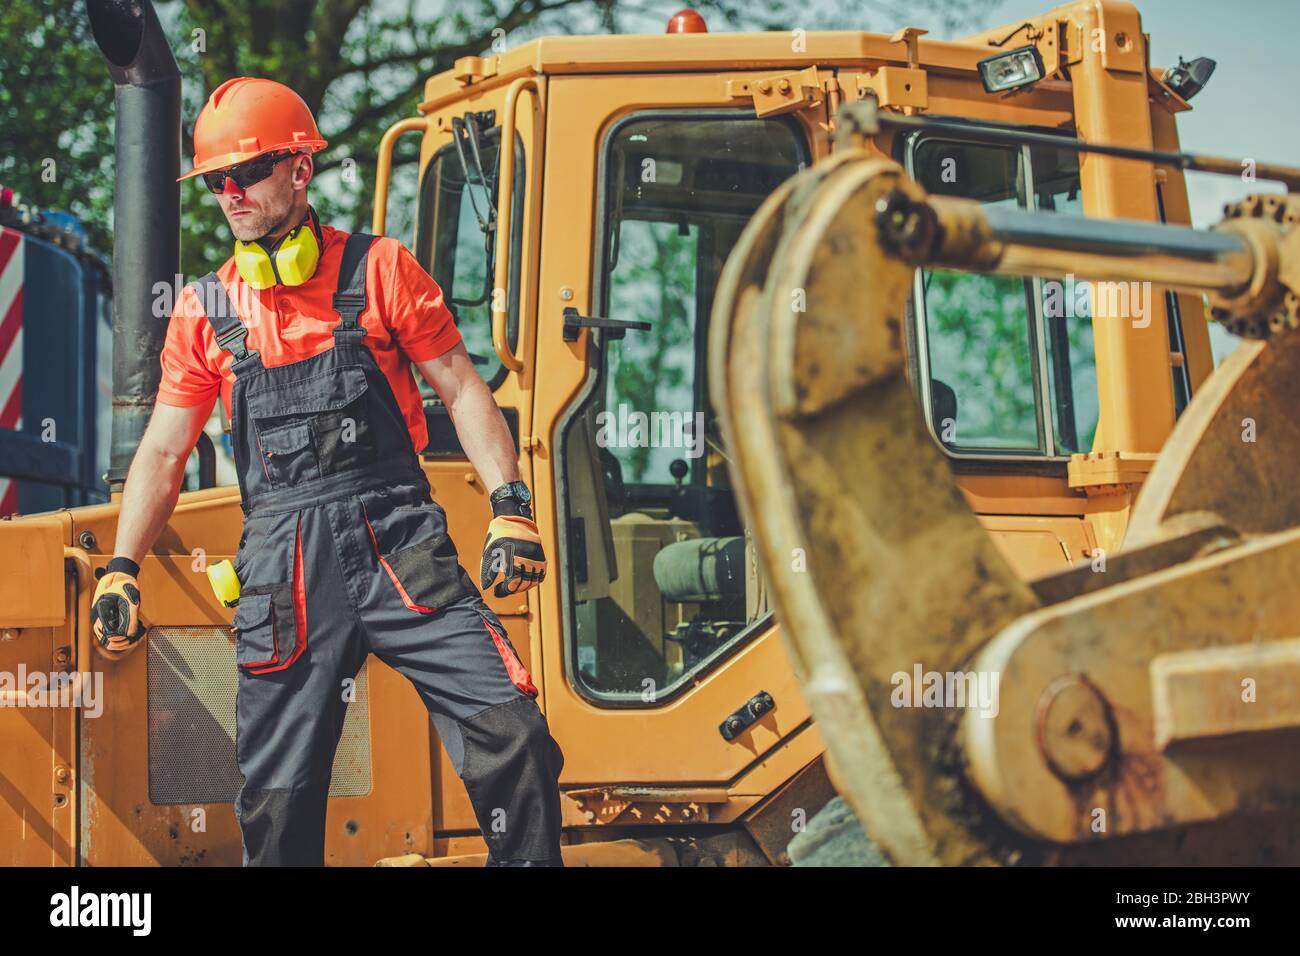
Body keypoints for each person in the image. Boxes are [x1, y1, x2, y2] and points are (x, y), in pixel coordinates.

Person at [88, 76, 565, 866]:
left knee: (513, 736)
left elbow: (463, 389)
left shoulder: (380, 269)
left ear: (300, 170)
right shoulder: (206, 310)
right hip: (284, 571)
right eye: (215, 181)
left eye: (246, 174)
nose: (229, 194)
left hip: (401, 546)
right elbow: (166, 451)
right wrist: (120, 567)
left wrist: (510, 506)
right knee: (276, 804)